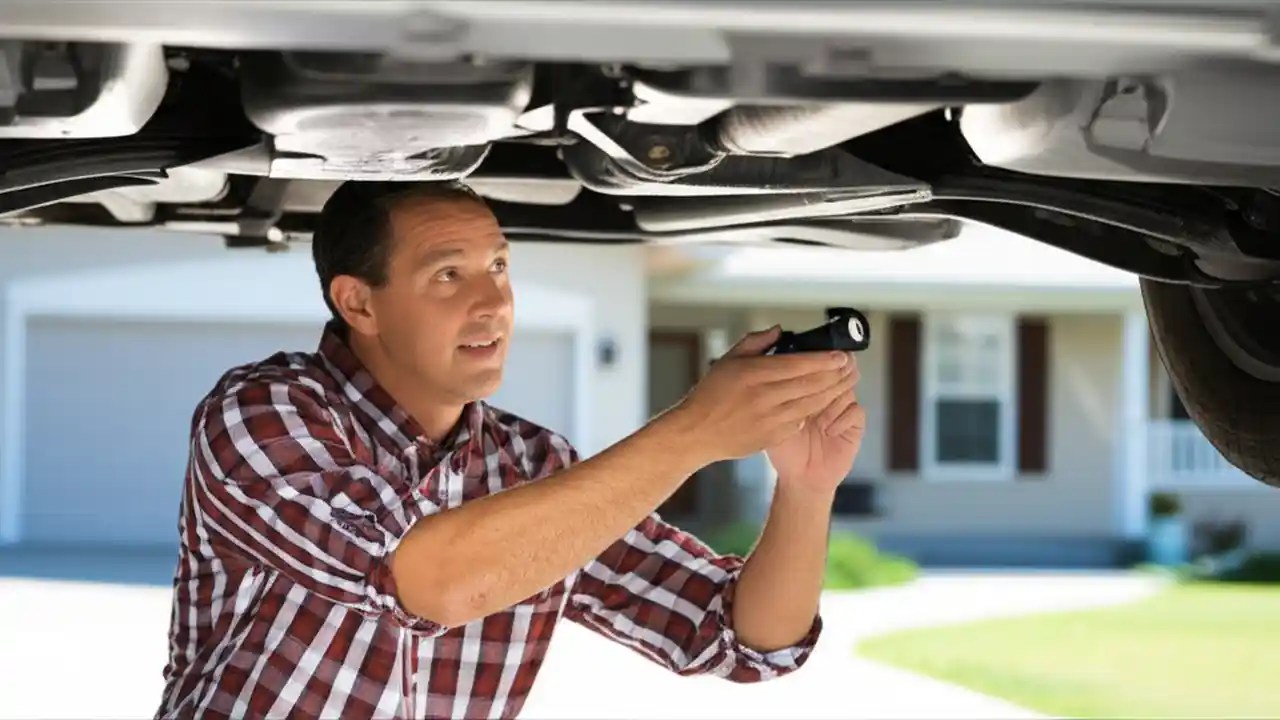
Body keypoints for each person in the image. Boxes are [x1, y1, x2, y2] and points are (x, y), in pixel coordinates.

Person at [156, 181, 865, 719]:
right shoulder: (262, 413)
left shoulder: (531, 467)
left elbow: (745, 640)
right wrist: (694, 431)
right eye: (448, 274)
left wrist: (806, 488)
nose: (493, 302)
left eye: (498, 266)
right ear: (359, 304)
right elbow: (422, 582)